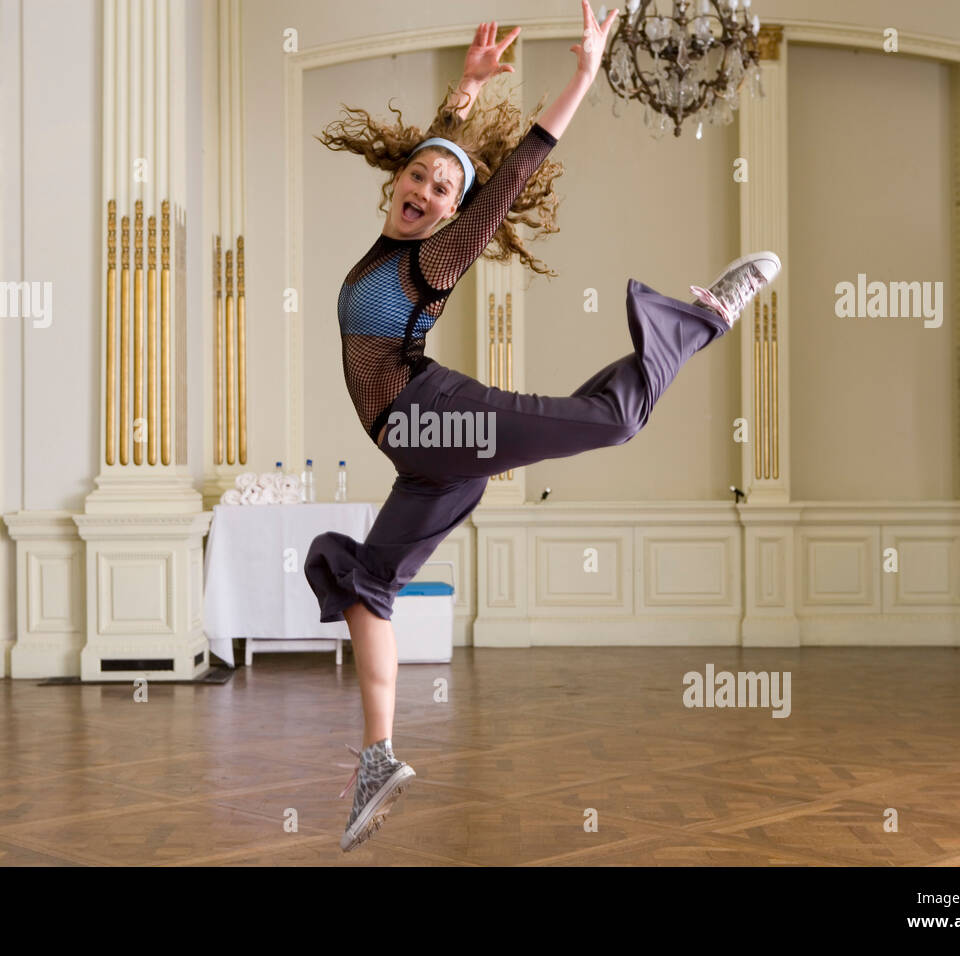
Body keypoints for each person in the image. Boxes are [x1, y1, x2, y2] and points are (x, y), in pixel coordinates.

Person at [306, 5, 781, 852]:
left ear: (456, 214)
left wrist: (581, 78)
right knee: (365, 585)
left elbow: (513, 175)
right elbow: (443, 151)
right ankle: (379, 757)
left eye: (444, 193)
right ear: (397, 182)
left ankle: (702, 318)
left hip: (433, 420)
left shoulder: (435, 257)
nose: (425, 194)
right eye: (418, 179)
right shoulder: (394, 235)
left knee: (611, 422)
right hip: (421, 457)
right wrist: (466, 92)